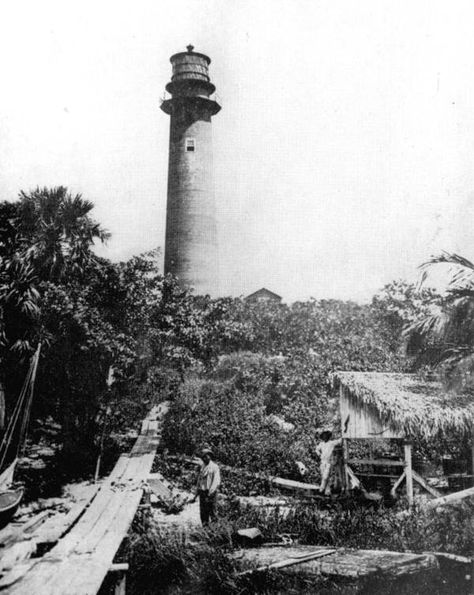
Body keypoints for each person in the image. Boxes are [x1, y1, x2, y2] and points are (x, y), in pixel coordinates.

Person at [192, 447, 221, 525]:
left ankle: (215, 531)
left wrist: (210, 493)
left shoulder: (215, 467)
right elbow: (200, 481)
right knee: (203, 514)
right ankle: (205, 531)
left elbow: (216, 481)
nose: (204, 458)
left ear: (210, 456)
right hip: (202, 493)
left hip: (210, 493)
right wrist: (196, 494)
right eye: (203, 457)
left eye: (206, 456)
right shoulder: (203, 467)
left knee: (213, 512)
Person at [316, 430, 342, 496]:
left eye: (326, 435)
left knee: (326, 476)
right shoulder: (321, 444)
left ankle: (321, 490)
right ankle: (327, 491)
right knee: (324, 476)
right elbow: (317, 449)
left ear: (328, 436)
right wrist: (319, 454)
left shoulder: (331, 443)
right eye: (324, 435)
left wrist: (344, 434)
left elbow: (340, 441)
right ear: (322, 437)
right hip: (322, 462)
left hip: (328, 462)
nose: (325, 436)